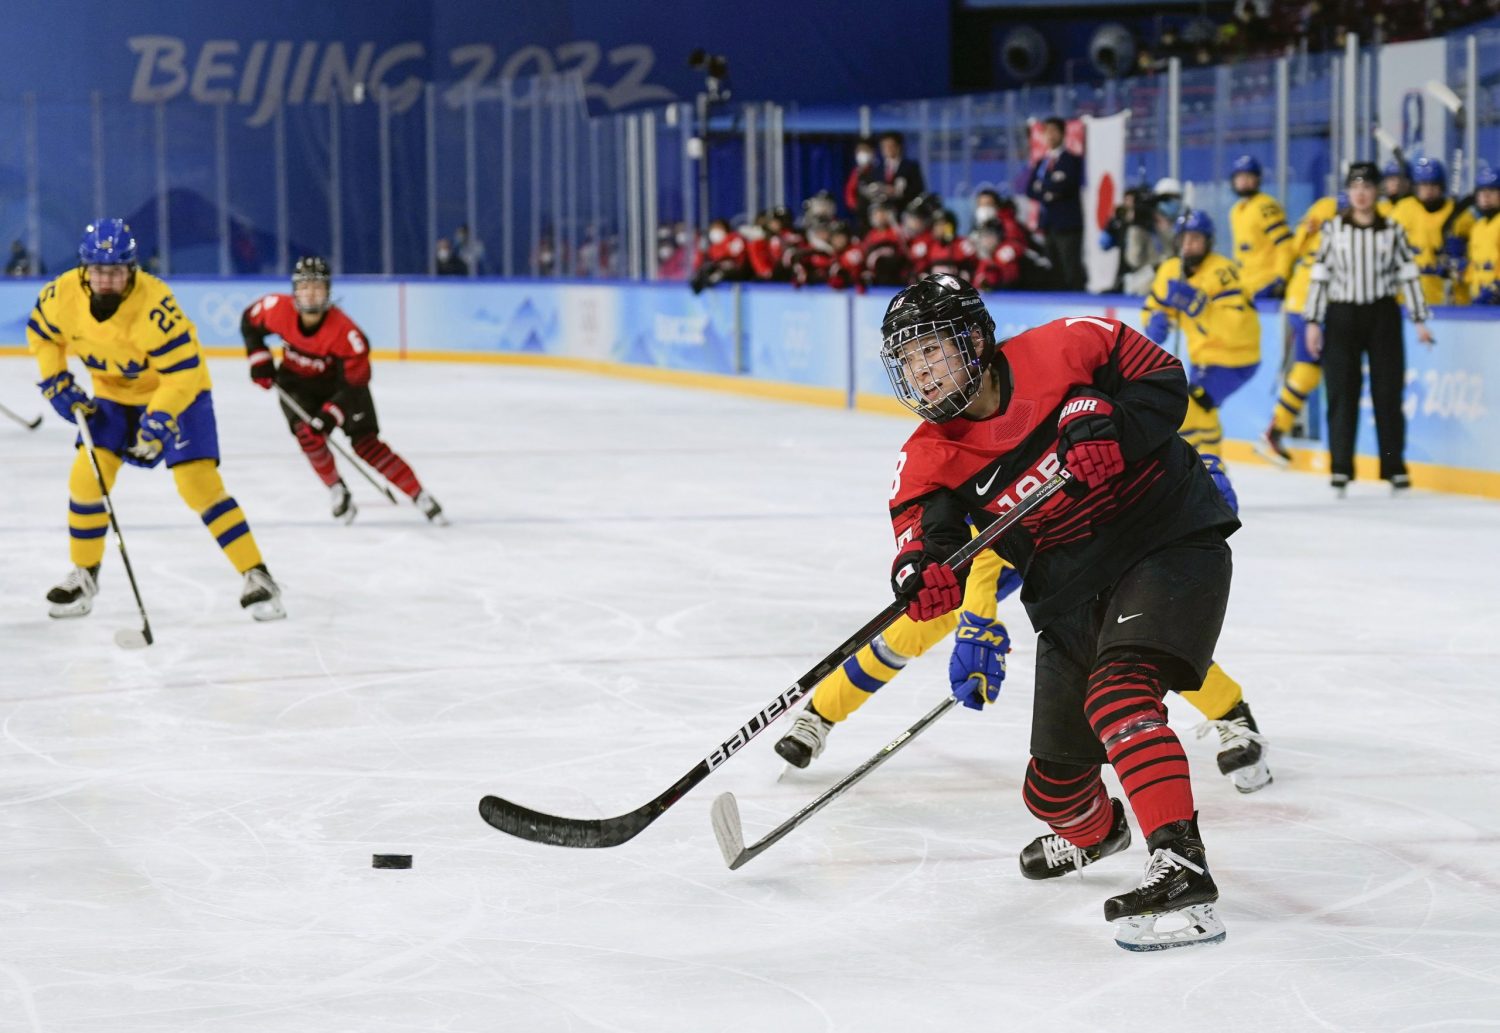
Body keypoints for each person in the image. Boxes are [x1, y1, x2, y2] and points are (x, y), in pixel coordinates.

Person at [880, 273, 1239, 949]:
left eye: (933, 349)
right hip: (1072, 587)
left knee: (1119, 694)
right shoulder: (927, 460)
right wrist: (927, 578)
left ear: (976, 340)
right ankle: (1102, 835)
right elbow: (927, 546)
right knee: (1052, 791)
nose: (921, 372)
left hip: (1165, 537)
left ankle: (1182, 866)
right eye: (909, 360)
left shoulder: (1069, 346)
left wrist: (1114, 428)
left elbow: (1163, 384)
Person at [29, 219, 285, 621]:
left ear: (131, 269)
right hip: (114, 396)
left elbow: (182, 371)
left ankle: (257, 574)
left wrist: (160, 419)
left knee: (197, 484)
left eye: (115, 271)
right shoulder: (63, 293)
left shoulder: (154, 304)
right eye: (97, 270)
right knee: (86, 477)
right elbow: (42, 333)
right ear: (84, 269)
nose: (105, 280)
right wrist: (55, 379)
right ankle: (84, 574)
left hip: (179, 395)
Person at [241, 256, 446, 524]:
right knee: (308, 435)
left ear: (328, 291)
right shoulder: (276, 309)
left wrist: (331, 415)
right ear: (294, 291)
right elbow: (249, 322)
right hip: (296, 382)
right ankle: (337, 489)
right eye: (304, 287)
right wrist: (260, 361)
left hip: (342, 386)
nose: (310, 293)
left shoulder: (347, 334)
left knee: (366, 444)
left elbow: (356, 382)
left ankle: (419, 494)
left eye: (317, 287)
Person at [1305, 162, 1435, 496]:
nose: (1361, 194)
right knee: (1341, 393)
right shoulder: (1333, 229)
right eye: (1355, 187)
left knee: (1388, 392)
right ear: (1348, 192)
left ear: (1377, 191)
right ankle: (1341, 468)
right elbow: (1320, 275)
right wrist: (1312, 322)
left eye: (1367, 187)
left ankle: (1394, 467)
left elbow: (1409, 275)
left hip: (1382, 315)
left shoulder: (1393, 230)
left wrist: (1419, 319)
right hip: (1342, 314)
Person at [1255, 189, 1345, 467]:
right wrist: (1308, 230)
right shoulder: (1327, 205)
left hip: (1319, 298)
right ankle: (1274, 431)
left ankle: (1275, 430)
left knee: (1311, 371)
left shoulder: (1362, 212)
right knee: (1308, 370)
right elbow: (1295, 245)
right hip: (1308, 297)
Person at [1389, 157, 1473, 306]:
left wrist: (1462, 255)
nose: (1428, 190)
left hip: (1449, 298)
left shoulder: (1459, 214)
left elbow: (1479, 249)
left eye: (1433, 185)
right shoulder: (1403, 210)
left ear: (1441, 186)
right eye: (1423, 185)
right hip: (1409, 299)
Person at [1025, 117, 1086, 292]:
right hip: (1048, 223)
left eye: (1054, 131)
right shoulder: (1041, 163)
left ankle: (1079, 304)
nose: (1050, 136)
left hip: (1068, 224)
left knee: (1071, 267)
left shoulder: (1071, 160)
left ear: (1062, 134)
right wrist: (1050, 189)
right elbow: (1030, 189)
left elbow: (1066, 186)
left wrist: (1044, 187)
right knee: (1053, 268)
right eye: (1046, 132)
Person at [1227, 155, 1296, 300]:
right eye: (1239, 176)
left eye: (1248, 175)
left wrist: (1281, 278)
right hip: (1245, 287)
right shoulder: (1236, 210)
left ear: (1257, 178)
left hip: (1267, 284)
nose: (1243, 180)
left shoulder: (1266, 206)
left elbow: (1285, 244)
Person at [1465, 167, 1500, 304]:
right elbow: (1475, 268)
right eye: (1482, 191)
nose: (1486, 196)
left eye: (1492, 191)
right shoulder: (1477, 227)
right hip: (1478, 301)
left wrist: (1496, 289)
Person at [876, 132, 926, 212]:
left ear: (898, 147)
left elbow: (919, 190)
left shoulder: (911, 167)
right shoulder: (877, 168)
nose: (887, 149)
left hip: (905, 211)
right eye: (884, 146)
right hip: (882, 213)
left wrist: (897, 192)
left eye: (890, 146)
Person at [845, 138, 880, 231]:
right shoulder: (856, 172)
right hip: (860, 216)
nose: (861, 153)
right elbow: (850, 192)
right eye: (859, 150)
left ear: (872, 152)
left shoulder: (879, 171)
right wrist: (855, 206)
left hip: (877, 215)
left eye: (865, 150)